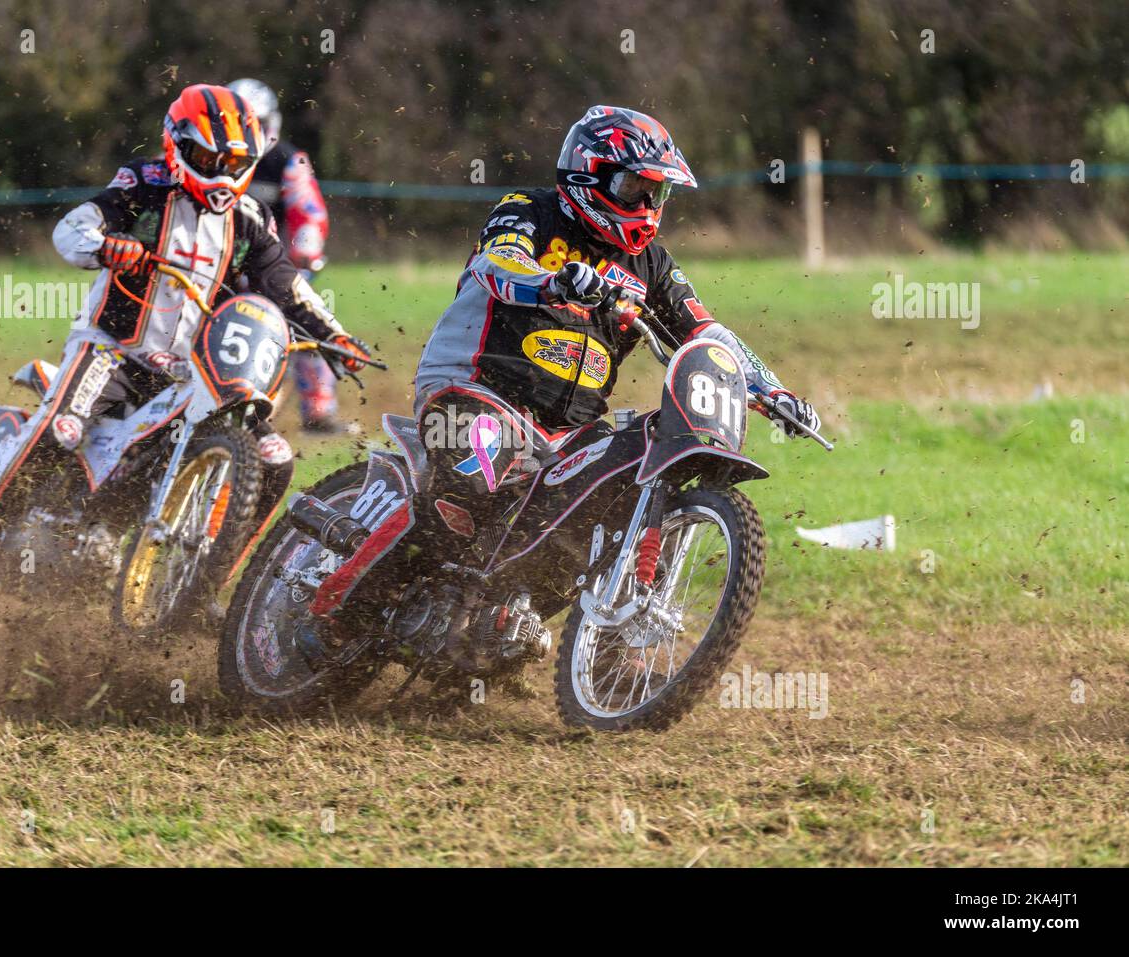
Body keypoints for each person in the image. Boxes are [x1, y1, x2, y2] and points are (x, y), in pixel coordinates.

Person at [300, 105, 818, 653]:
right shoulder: (529, 211)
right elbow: (498, 264)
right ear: (587, 174)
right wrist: (554, 282)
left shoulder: (653, 266)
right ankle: (333, 611)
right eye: (634, 187)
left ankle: (554, 636)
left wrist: (770, 388)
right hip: (475, 388)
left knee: (614, 496)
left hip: (566, 430)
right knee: (470, 484)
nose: (646, 206)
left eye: (657, 193)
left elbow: (706, 331)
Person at [0, 83, 369, 549]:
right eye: (209, 159)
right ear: (178, 146)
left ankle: (204, 574)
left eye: (234, 163)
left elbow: (287, 285)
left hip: (191, 370)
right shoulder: (144, 184)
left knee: (275, 459)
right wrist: (105, 246)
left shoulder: (250, 218)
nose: (221, 173)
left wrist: (337, 338)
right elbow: (73, 228)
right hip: (113, 349)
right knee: (61, 428)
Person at [228, 77, 346, 434]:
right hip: (217, 263)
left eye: (256, 123)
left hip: (274, 263)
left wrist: (305, 250)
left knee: (307, 325)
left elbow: (308, 211)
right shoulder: (214, 159)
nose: (249, 132)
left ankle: (319, 412)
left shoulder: (288, 161)